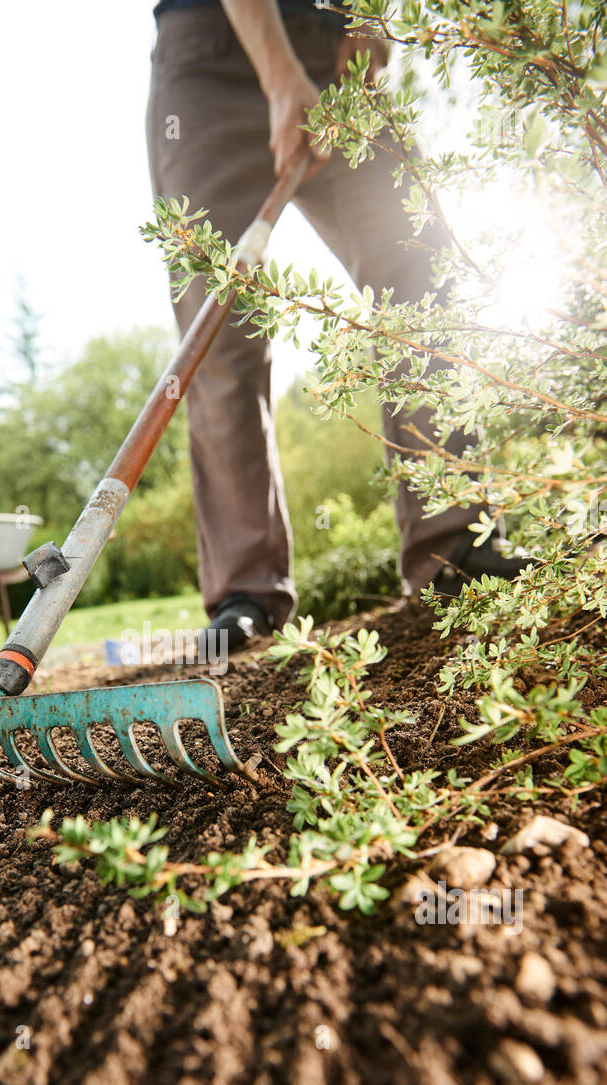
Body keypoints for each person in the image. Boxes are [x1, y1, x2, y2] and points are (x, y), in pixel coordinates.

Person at [146, 0, 525, 649]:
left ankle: (454, 547)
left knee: (421, 273)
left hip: (335, 47)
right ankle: (245, 591)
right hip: (210, 58)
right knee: (220, 331)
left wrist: (369, 23)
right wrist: (278, 72)